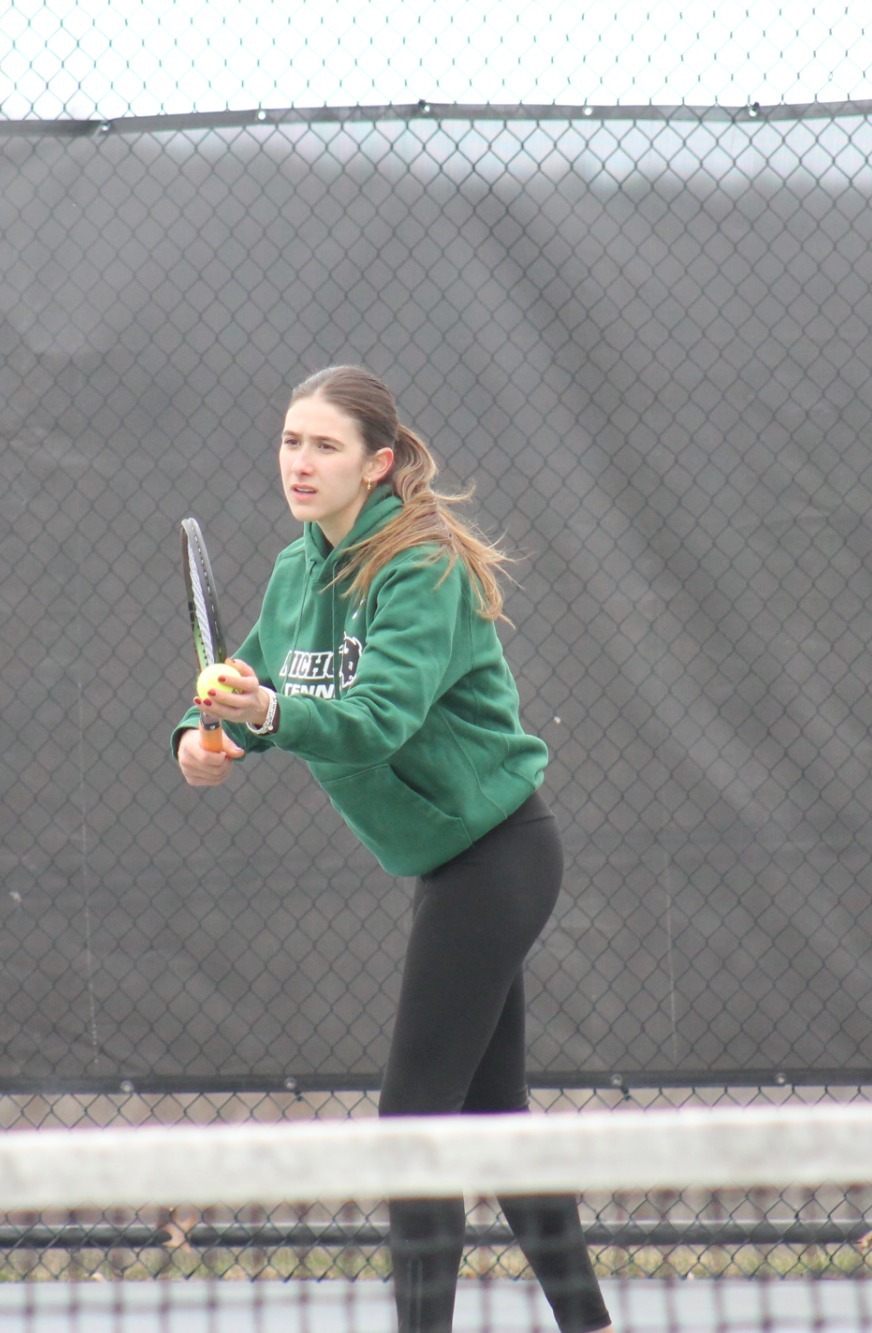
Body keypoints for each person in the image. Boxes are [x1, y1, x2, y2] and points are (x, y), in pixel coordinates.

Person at [173, 365, 614, 1333]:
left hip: (497, 855)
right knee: (492, 1123)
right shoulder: (297, 572)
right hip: (449, 862)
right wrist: (200, 737)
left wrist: (268, 712)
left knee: (413, 1121)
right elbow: (251, 683)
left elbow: (375, 718)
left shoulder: (423, 569)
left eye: (324, 445)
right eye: (290, 441)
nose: (300, 462)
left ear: (375, 464)